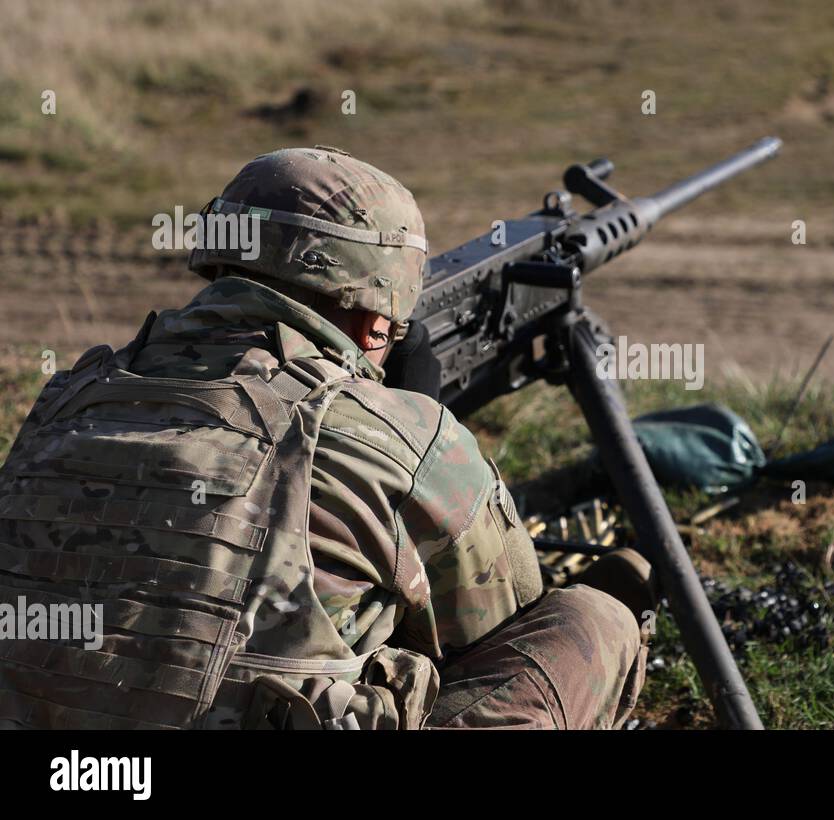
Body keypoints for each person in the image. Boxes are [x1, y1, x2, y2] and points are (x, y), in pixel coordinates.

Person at [0, 146, 650, 729]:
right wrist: (422, 433)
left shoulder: (69, 398)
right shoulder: (405, 434)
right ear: (375, 322)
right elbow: (497, 618)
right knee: (591, 620)